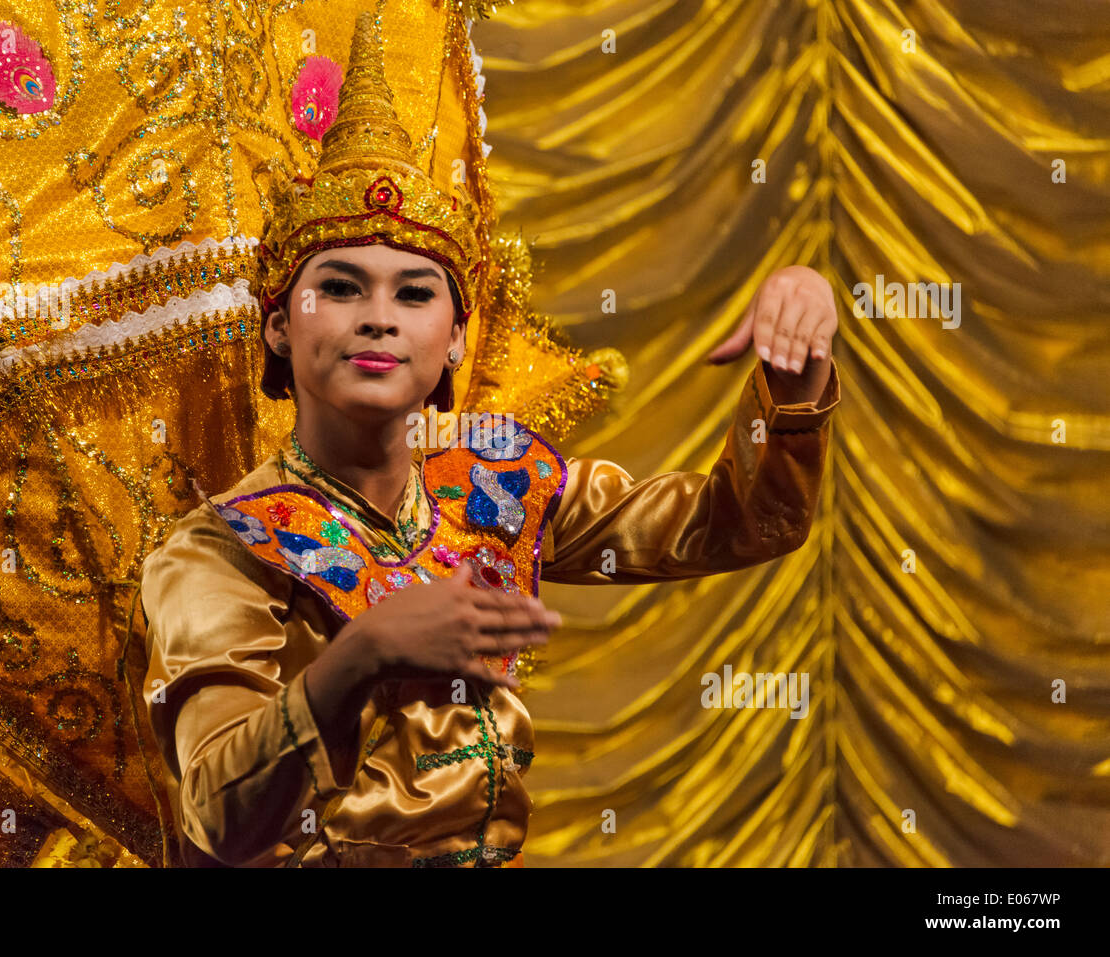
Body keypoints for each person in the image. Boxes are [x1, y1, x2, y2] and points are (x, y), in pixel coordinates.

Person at [137, 11, 841, 868]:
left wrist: (796, 371)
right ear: (281, 325)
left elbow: (745, 520)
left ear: (459, 339)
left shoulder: (492, 485)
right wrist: (361, 653)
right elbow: (217, 818)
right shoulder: (222, 548)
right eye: (342, 287)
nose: (379, 320)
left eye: (415, 294)